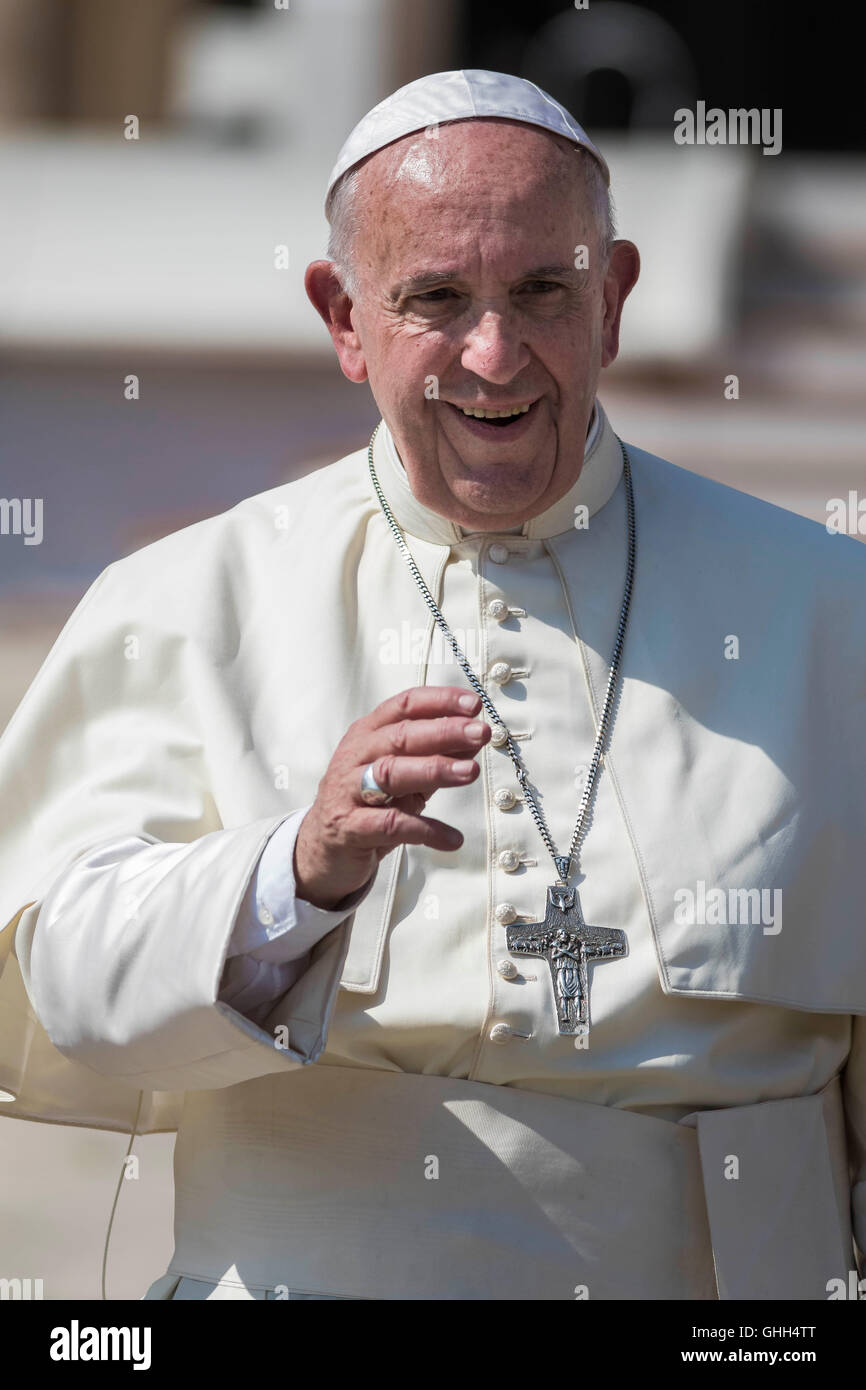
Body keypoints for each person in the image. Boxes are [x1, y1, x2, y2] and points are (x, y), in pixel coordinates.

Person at [0, 70, 864, 1302]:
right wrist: (292, 871)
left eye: (541, 293)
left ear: (612, 300)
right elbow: (69, 986)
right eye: (434, 300)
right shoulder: (187, 599)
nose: (493, 355)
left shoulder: (829, 607)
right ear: (343, 319)